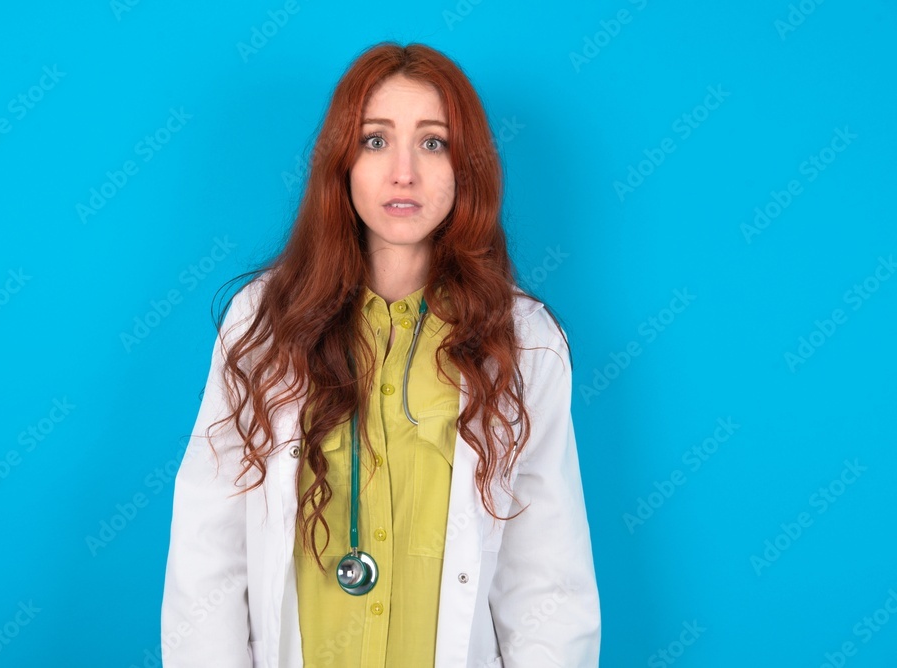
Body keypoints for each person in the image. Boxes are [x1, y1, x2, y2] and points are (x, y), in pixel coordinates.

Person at [160, 41, 600, 667]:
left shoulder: (524, 343)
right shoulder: (262, 325)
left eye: (432, 142)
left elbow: (547, 582)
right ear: (341, 161)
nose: (403, 173)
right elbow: (208, 552)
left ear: (464, 166)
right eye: (374, 141)